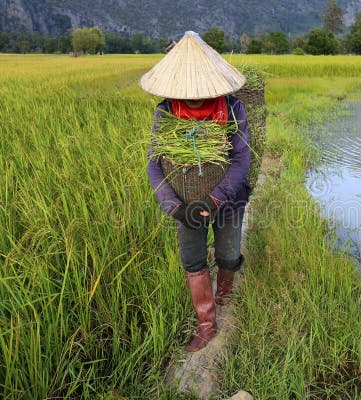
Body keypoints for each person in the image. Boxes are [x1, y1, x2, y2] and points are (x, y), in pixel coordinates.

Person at [140, 31, 251, 352]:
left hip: (227, 200)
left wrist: (214, 199)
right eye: (185, 90)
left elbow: (241, 159)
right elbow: (153, 164)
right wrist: (174, 206)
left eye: (199, 89)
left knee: (228, 254)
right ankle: (207, 324)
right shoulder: (165, 112)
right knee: (192, 261)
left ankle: (226, 291)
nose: (192, 95)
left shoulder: (232, 110)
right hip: (184, 202)